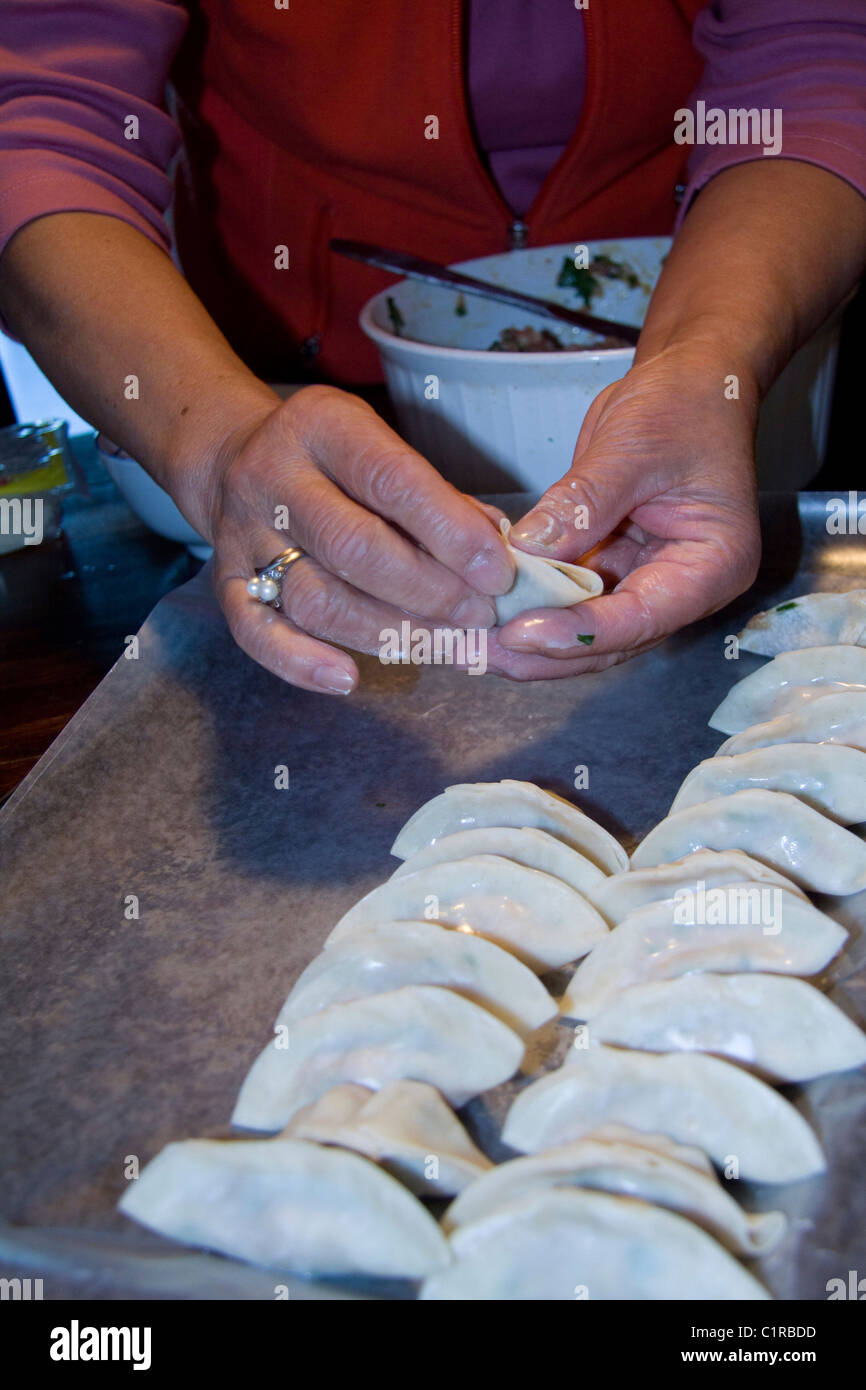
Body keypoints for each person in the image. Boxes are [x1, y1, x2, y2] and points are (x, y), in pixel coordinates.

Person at [0, 1, 864, 695]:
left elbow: (820, 51)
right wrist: (221, 445)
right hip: (277, 378)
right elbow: (37, 118)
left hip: (719, 325)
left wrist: (703, 356)